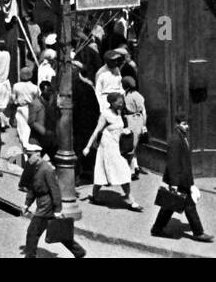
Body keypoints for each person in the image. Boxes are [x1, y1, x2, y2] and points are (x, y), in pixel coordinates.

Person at [151, 112, 213, 241]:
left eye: (187, 123)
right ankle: (198, 232)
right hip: (178, 180)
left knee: (170, 205)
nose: (187, 126)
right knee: (187, 205)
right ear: (177, 124)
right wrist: (174, 183)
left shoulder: (181, 136)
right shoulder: (175, 139)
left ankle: (157, 228)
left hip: (181, 179)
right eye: (184, 124)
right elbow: (173, 163)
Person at [21, 148, 87, 258]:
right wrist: (27, 204)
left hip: (47, 206)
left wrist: (57, 209)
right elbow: (32, 189)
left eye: (30, 155)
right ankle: (79, 252)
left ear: (38, 155)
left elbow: (55, 190)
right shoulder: (33, 167)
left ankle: (30, 256)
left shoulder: (47, 170)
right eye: (27, 155)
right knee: (58, 231)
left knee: (33, 232)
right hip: (42, 204)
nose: (28, 158)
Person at [84, 92, 141, 210]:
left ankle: (95, 196)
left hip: (116, 146)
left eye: (121, 102)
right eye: (118, 102)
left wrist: (124, 131)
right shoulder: (105, 114)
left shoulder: (119, 113)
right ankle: (130, 200)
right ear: (112, 102)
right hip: (107, 147)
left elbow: (119, 127)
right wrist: (88, 147)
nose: (121, 105)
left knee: (107, 172)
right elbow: (96, 131)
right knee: (120, 170)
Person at [12, 64, 41, 153]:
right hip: (32, 110)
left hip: (20, 109)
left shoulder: (16, 86)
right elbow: (38, 98)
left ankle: (24, 149)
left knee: (21, 131)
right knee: (29, 131)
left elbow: (13, 100)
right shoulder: (35, 88)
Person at [121, 76, 146, 179]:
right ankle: (135, 167)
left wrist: (144, 125)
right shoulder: (131, 95)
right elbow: (144, 112)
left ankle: (131, 171)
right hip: (131, 120)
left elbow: (143, 111)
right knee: (132, 145)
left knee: (131, 146)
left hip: (134, 120)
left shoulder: (133, 96)